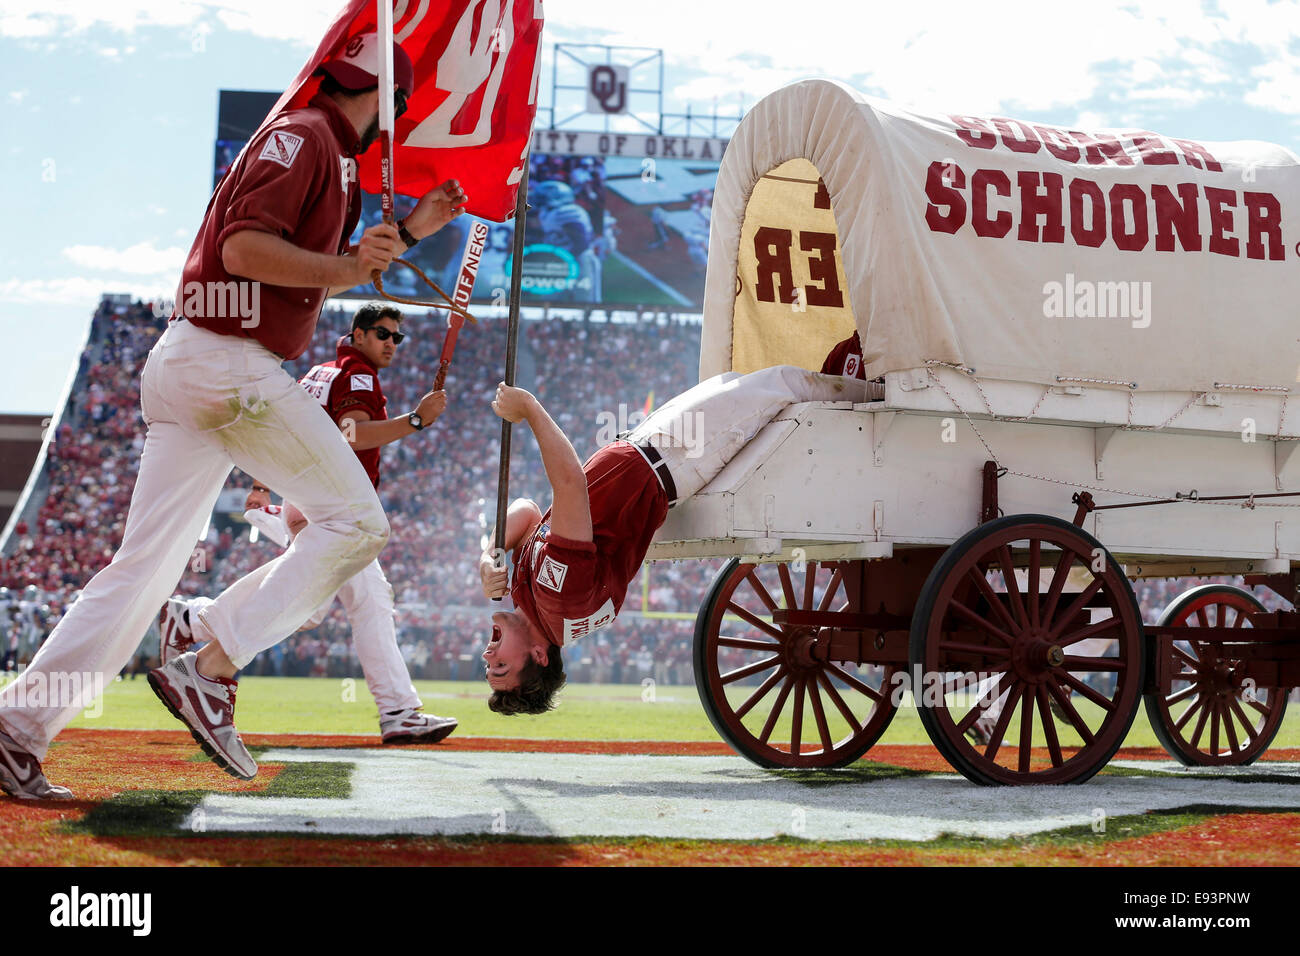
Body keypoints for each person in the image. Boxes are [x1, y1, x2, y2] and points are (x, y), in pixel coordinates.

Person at [0, 32, 467, 800]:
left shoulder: (319, 143)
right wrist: (352, 267)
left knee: (138, 573)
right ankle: (211, 660)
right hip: (227, 365)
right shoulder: (307, 136)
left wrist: (407, 236)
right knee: (357, 525)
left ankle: (19, 729)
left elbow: (302, 264)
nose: (398, 122)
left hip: (200, 363)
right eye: (401, 106)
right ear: (383, 95)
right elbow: (248, 250)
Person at [478, 365, 868, 715]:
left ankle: (860, 374)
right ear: (539, 656)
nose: (488, 654)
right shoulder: (559, 598)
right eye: (501, 666)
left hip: (657, 448)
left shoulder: (538, 605)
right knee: (786, 383)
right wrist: (528, 406)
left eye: (489, 666)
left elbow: (528, 511)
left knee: (735, 380)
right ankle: (888, 392)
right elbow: (569, 483)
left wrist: (490, 551)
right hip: (671, 454)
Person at [160, 303, 460, 744]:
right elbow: (352, 433)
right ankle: (398, 712)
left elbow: (280, 429)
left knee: (321, 608)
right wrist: (415, 421)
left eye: (398, 337)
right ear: (358, 334)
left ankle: (194, 619)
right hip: (333, 505)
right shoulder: (357, 374)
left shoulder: (318, 372)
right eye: (383, 334)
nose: (391, 343)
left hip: (305, 497)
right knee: (359, 605)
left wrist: (264, 485)